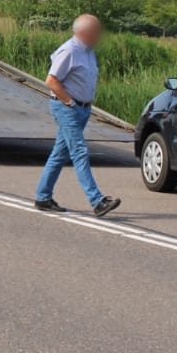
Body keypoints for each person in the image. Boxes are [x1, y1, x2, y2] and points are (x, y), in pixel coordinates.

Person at [34, 14, 121, 217]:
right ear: (84, 33)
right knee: (79, 151)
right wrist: (69, 102)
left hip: (82, 109)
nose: (100, 35)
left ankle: (42, 196)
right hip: (67, 109)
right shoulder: (69, 51)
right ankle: (97, 200)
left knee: (59, 154)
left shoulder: (89, 52)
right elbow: (51, 80)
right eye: (96, 32)